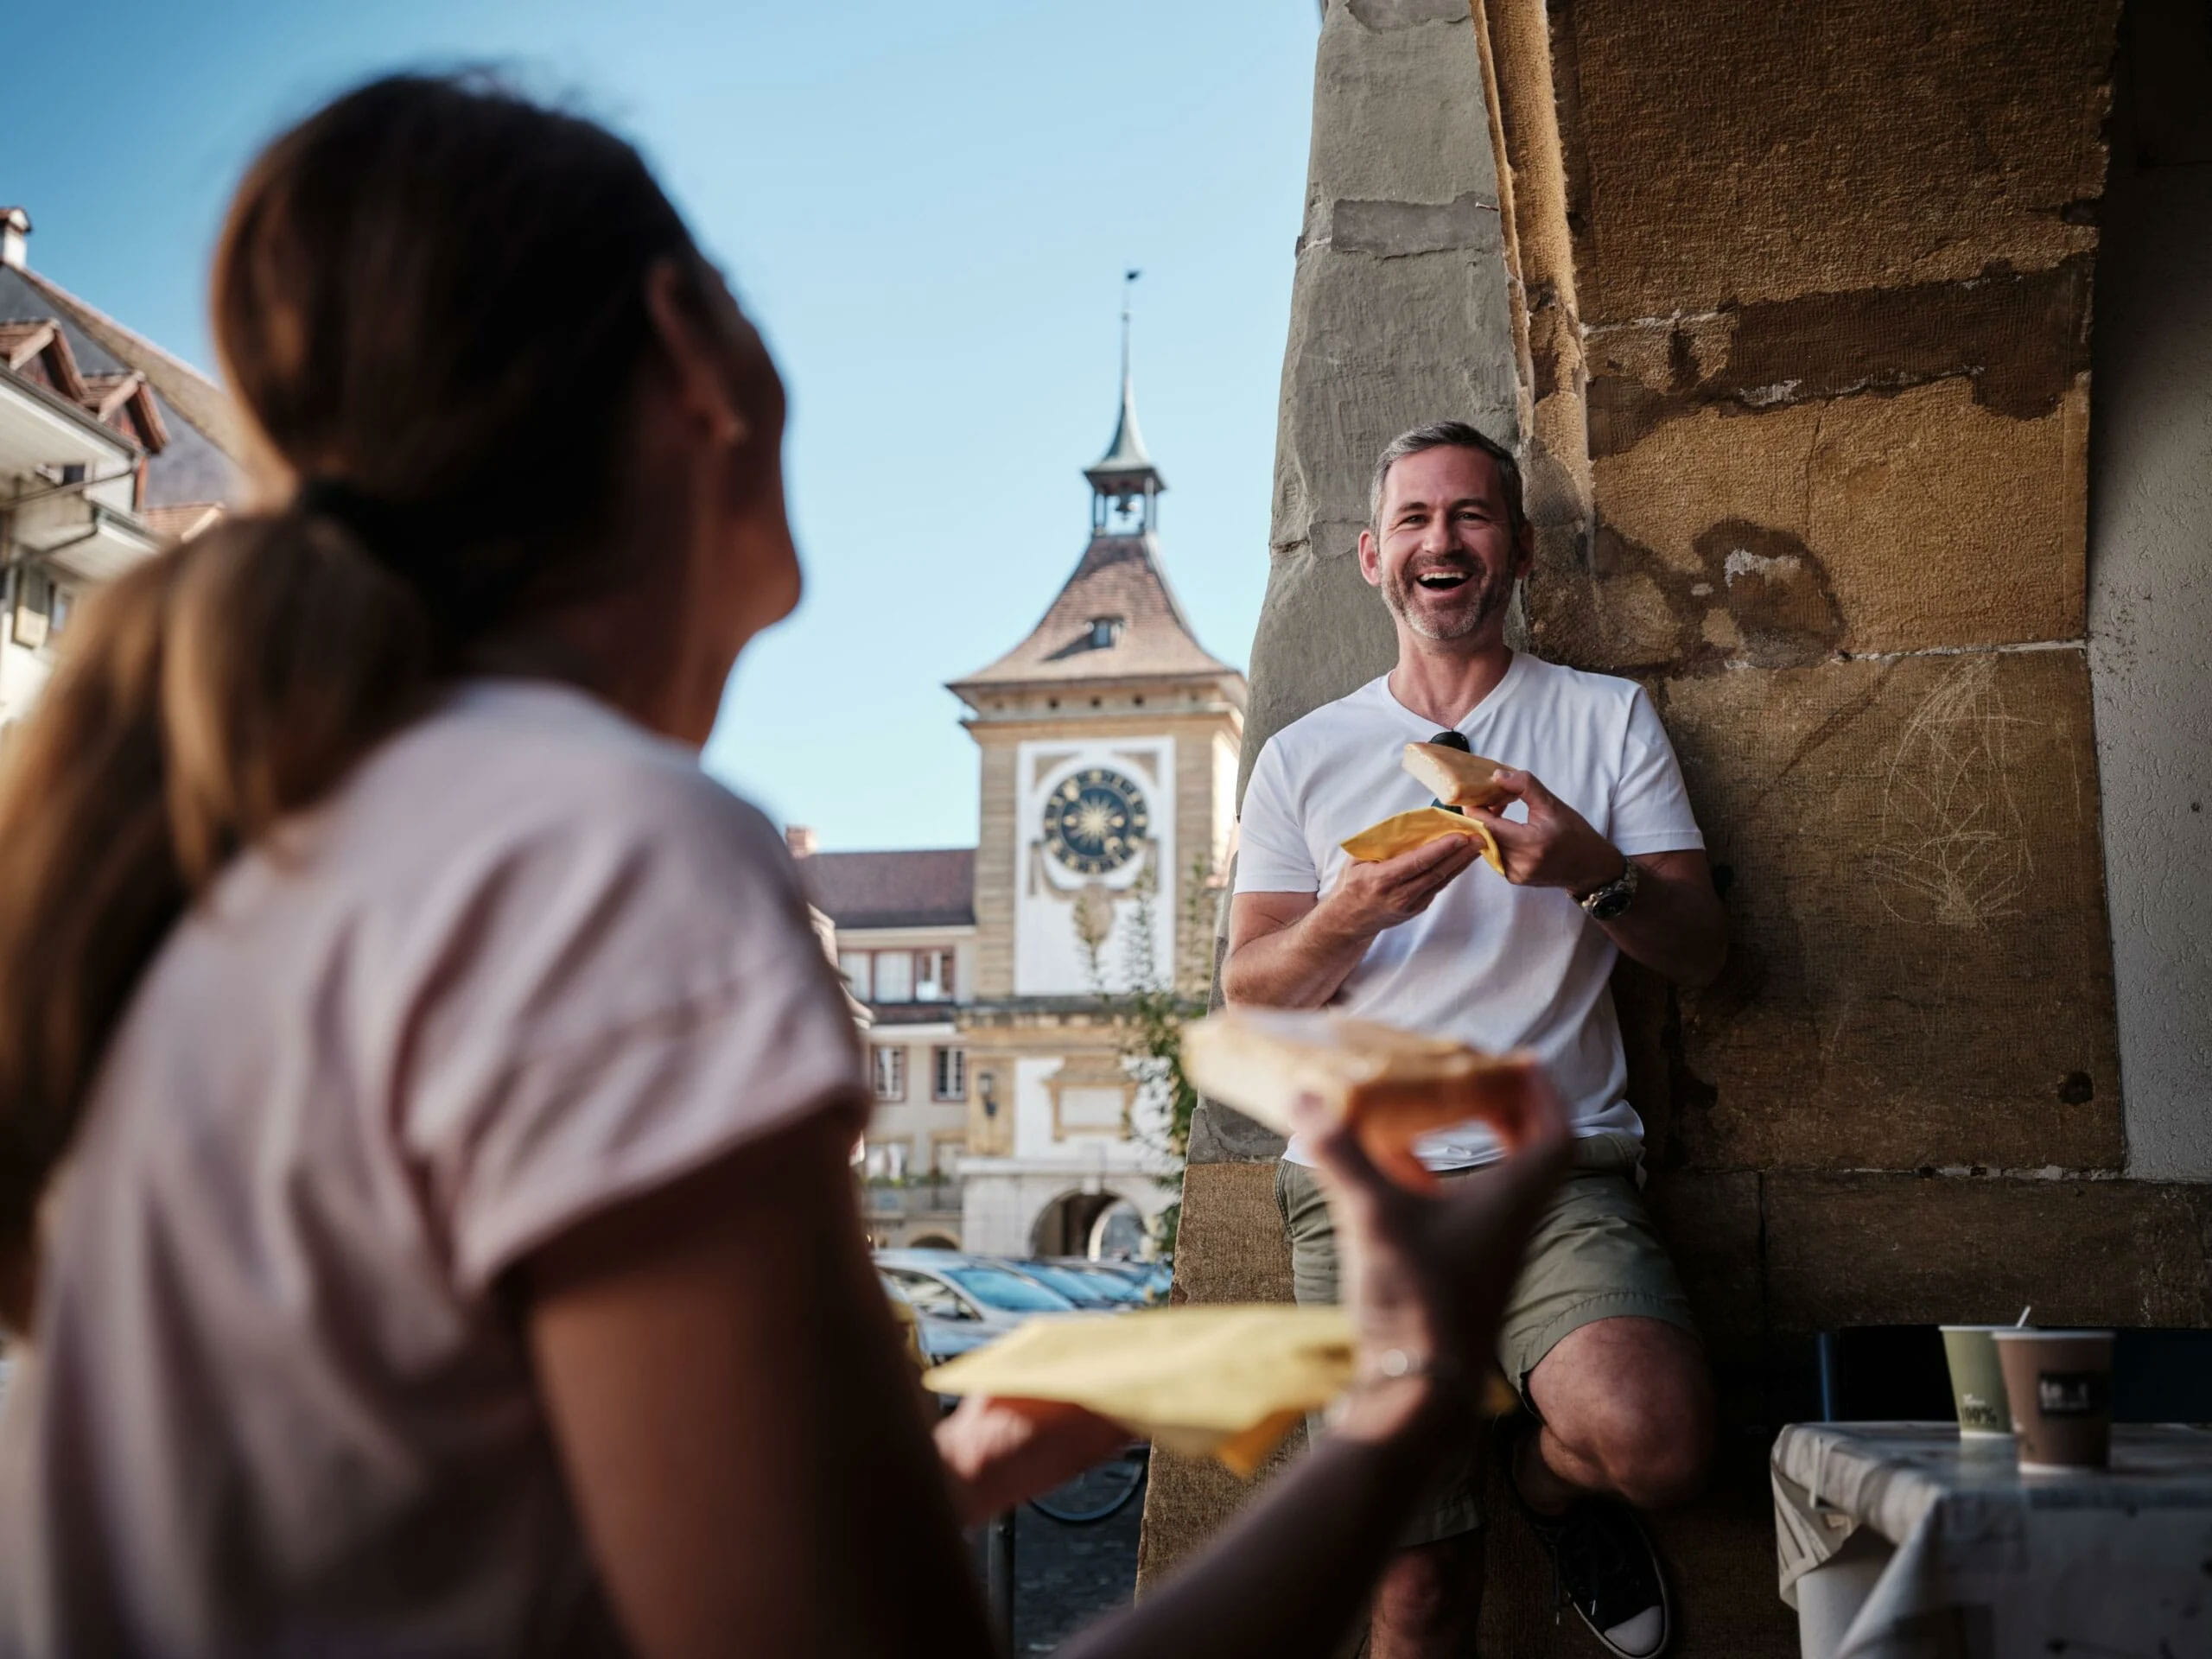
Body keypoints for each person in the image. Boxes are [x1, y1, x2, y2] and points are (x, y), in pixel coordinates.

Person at [0, 77, 1575, 1658]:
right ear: (699, 357)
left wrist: (910, 1483)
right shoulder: (604, 864)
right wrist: (1410, 1395)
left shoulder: (279, 849)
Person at [1223, 421, 1730, 1658]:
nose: (1440, 541)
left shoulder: (1605, 721)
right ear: (1370, 556)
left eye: (1470, 516)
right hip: (1363, 1194)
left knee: (1656, 1447)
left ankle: (1546, 1482)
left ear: (1517, 551)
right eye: (1414, 520)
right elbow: (1252, 993)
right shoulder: (1302, 757)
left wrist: (1593, 872)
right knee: (1416, 1599)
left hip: (1555, 1172)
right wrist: (1344, 918)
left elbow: (1705, 953)